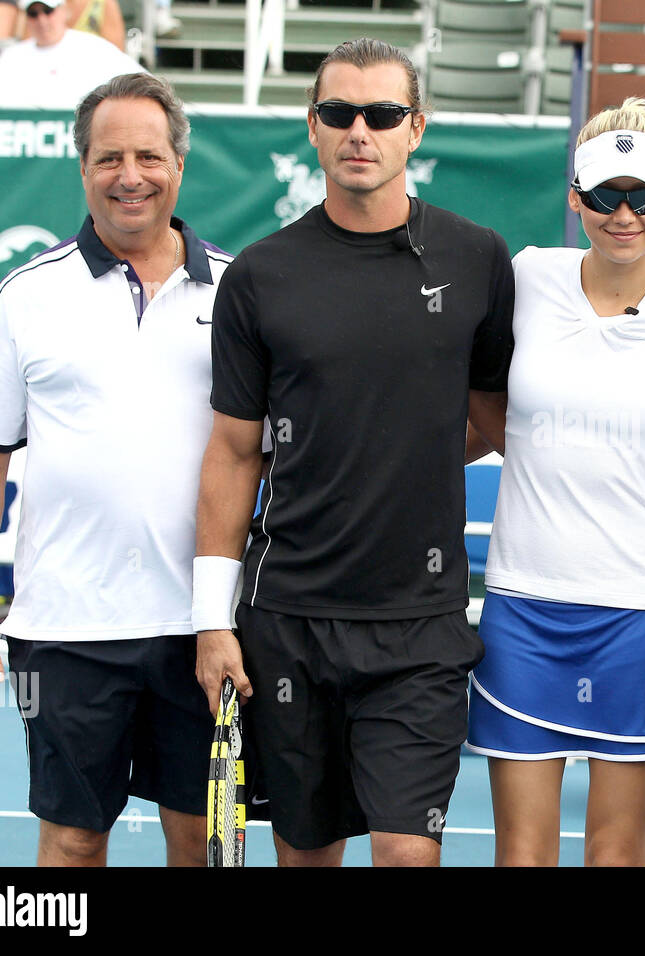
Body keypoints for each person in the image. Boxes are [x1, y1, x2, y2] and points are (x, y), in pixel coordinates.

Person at [193, 37, 514, 868]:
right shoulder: (260, 276)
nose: (359, 131)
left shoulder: (477, 257)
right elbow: (233, 454)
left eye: (382, 114)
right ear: (313, 127)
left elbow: (498, 417)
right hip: (288, 620)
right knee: (309, 854)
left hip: (422, 626)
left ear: (416, 128)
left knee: (409, 853)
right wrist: (210, 621)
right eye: (340, 113)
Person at [0, 72, 233, 867]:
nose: (130, 175)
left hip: (202, 628)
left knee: (202, 840)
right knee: (72, 842)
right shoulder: (25, 295)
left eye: (149, 155)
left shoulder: (243, 291)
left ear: (180, 164)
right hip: (66, 632)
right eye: (109, 158)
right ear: (83, 168)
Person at [462, 98, 645, 867]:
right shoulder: (525, 278)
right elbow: (487, 414)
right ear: (575, 197)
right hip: (523, 605)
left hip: (638, 617)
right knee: (521, 856)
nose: (626, 214)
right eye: (607, 195)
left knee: (616, 855)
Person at [0, 0, 142, 107]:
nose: (42, 20)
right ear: (26, 18)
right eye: (33, 14)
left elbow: (139, 80)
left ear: (63, 11)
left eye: (48, 11)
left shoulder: (95, 48)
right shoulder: (9, 59)